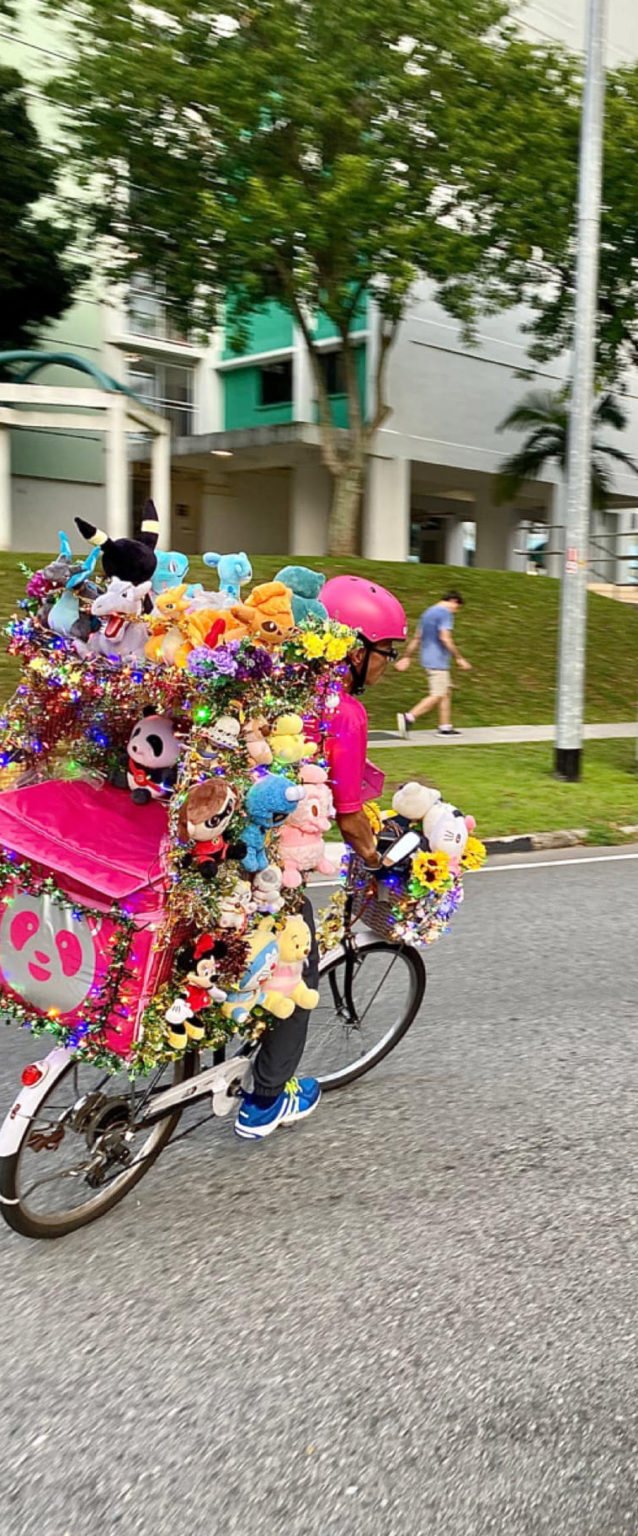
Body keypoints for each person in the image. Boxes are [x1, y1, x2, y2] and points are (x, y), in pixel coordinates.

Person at [235, 573, 408, 1141]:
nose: (388, 665)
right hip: (275, 863)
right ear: (356, 649)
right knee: (296, 964)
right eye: (386, 651)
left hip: (222, 843)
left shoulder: (275, 676)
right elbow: (352, 810)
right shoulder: (346, 710)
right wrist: (374, 857)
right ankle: (264, 1101)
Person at [395, 590, 471, 737]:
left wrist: (407, 657)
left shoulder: (427, 613)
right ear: (453, 601)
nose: (455, 611)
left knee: (446, 692)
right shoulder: (444, 613)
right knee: (437, 694)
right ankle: (409, 717)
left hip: (428, 658)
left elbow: (417, 638)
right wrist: (459, 657)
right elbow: (445, 638)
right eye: (457, 607)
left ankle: (445, 727)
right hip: (438, 660)